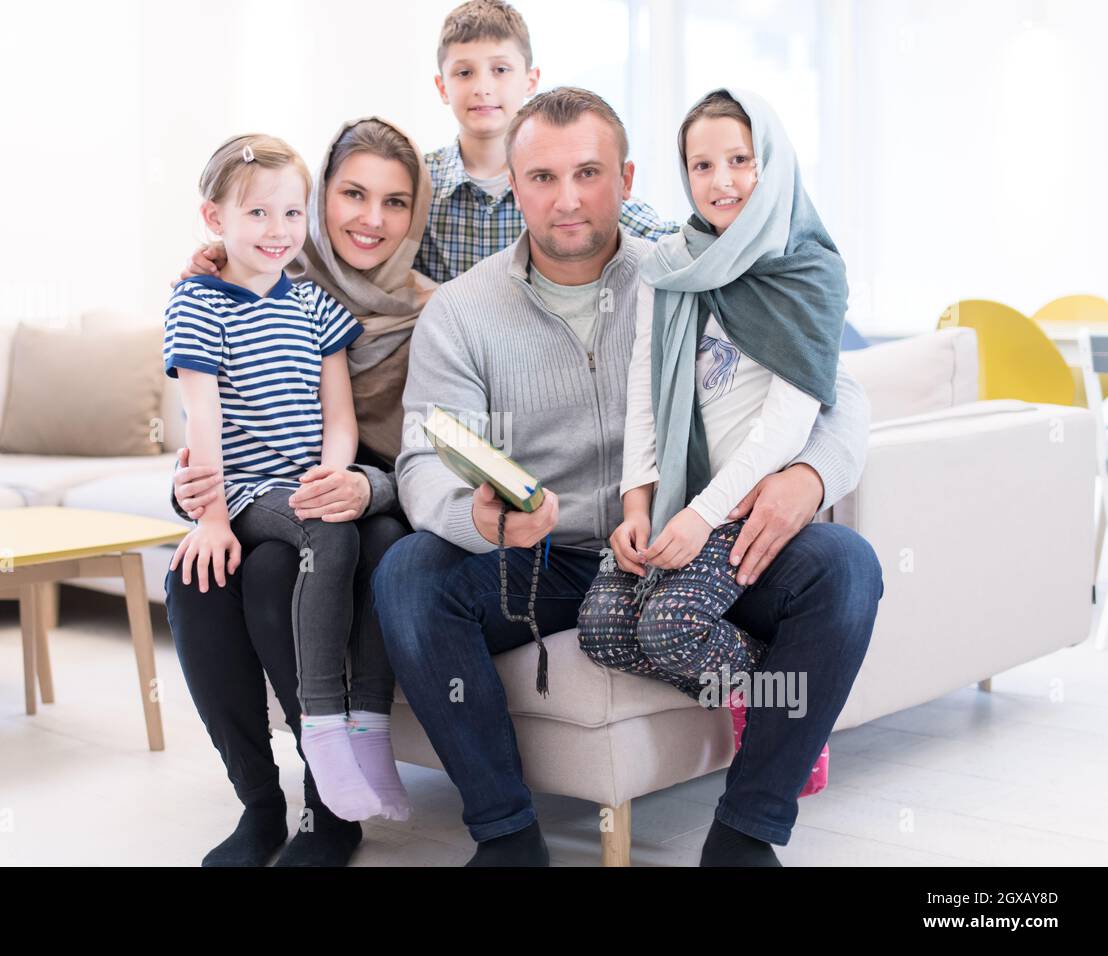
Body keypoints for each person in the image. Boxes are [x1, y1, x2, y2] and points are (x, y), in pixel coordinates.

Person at [371, 87, 883, 867]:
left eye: (589, 173)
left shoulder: (692, 270)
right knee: (409, 573)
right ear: (513, 185)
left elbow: (837, 396)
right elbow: (420, 460)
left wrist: (810, 475)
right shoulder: (461, 313)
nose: (567, 199)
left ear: (630, 177)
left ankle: (746, 833)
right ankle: (507, 837)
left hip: (692, 545)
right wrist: (480, 522)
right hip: (542, 557)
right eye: (542, 177)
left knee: (847, 568)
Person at [577, 87, 857, 802]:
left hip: (735, 504)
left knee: (669, 630)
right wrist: (636, 504)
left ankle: (782, 711)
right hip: (672, 499)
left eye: (741, 159)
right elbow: (646, 394)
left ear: (772, 162)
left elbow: (791, 424)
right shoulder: (671, 264)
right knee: (603, 628)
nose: (722, 180)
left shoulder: (809, 270)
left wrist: (702, 513)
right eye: (702, 165)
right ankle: (774, 684)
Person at [167, 118, 434, 866]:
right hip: (274, 493)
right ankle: (261, 802)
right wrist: (202, 503)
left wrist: (353, 479)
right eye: (351, 194)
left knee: (292, 565)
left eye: (394, 201)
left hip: (390, 500)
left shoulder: (434, 311)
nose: (370, 218)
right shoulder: (230, 288)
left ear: (417, 213)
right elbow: (207, 414)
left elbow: (427, 447)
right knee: (197, 576)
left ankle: (330, 799)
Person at [416, 0, 676, 283]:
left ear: (530, 80)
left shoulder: (570, 182)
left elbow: (667, 245)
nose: (483, 88)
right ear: (442, 87)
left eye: (500, 70)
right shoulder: (420, 181)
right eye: (464, 73)